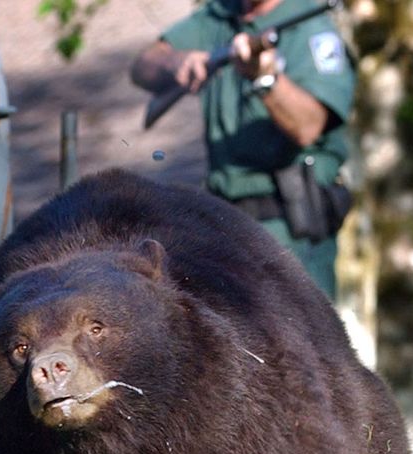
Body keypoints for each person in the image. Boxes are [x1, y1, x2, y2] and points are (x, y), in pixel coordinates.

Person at [130, 0, 354, 299]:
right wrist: (179, 62)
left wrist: (266, 79)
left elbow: (308, 126)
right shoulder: (220, 15)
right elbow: (142, 65)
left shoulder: (310, 27)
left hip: (292, 234)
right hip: (222, 231)